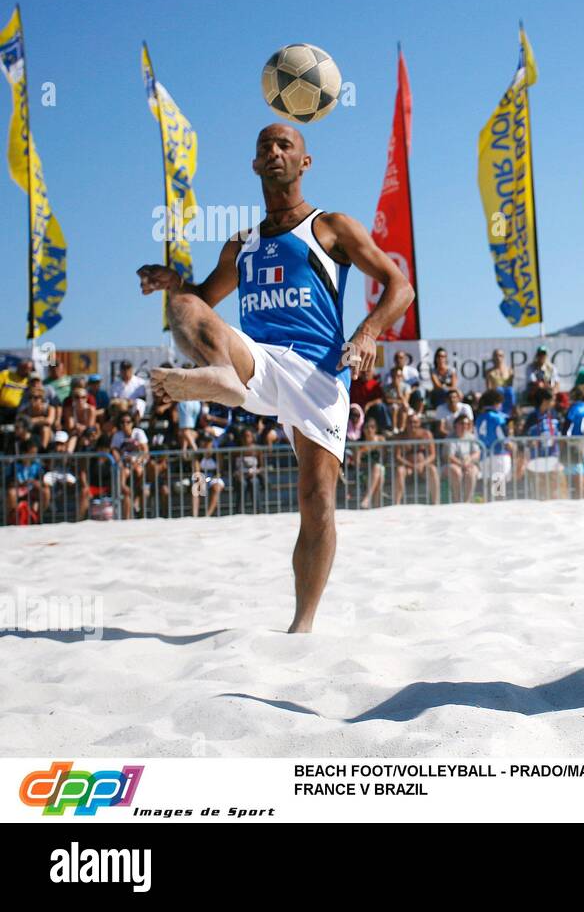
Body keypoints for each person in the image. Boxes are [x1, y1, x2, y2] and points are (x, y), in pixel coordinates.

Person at [136, 123, 413, 632]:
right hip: (257, 362)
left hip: (318, 373)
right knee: (183, 303)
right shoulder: (241, 244)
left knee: (317, 499)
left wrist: (369, 332)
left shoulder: (331, 227)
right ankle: (220, 375)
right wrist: (173, 282)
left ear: (305, 163)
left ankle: (302, 625)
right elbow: (203, 298)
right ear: (255, 164)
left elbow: (401, 286)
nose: (274, 151)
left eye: (286, 145)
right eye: (265, 145)